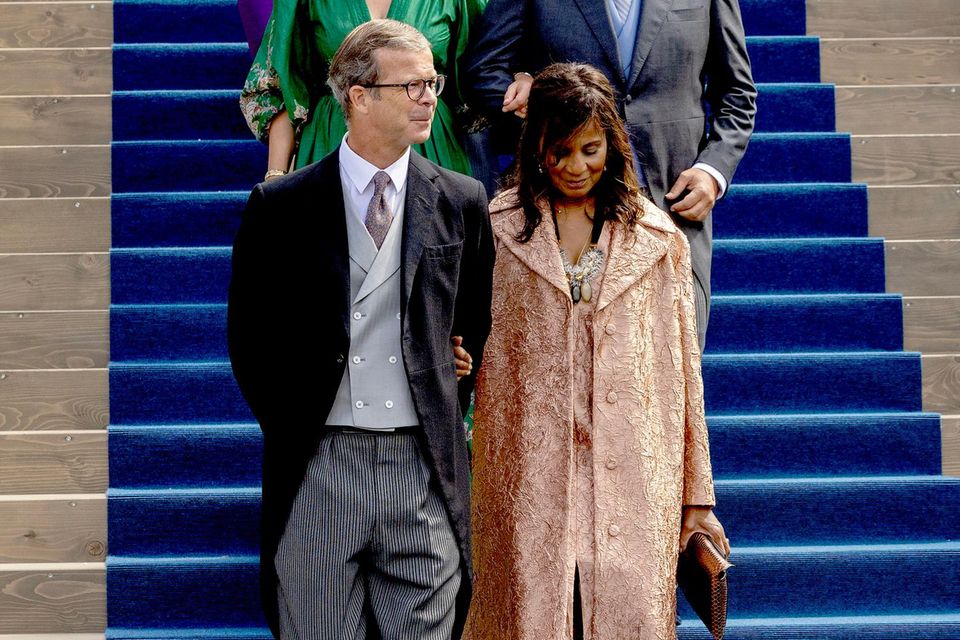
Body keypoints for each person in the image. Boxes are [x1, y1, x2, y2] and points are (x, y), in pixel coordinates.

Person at [227, 20, 495, 639]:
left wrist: (450, 370)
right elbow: (250, 341)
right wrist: (298, 424)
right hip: (322, 461)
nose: (430, 95)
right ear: (356, 95)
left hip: (422, 463)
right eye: (412, 85)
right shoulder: (280, 208)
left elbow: (475, 322)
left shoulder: (462, 199)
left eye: (433, 81)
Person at [461, 63, 728, 640]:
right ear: (535, 147)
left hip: (635, 477)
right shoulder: (496, 230)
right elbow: (466, 338)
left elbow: (686, 378)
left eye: (590, 148)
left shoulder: (658, 241)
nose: (576, 167)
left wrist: (697, 499)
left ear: (612, 141)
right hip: (525, 474)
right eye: (559, 151)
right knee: (527, 615)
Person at [463, 0, 757, 346]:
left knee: (673, 358)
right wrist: (535, 97)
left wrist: (712, 171)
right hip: (564, 212)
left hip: (672, 204)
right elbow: (485, 71)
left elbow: (737, 94)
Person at [240, 0, 484, 182]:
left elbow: (488, 63)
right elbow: (280, 85)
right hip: (333, 140)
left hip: (429, 145)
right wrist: (276, 176)